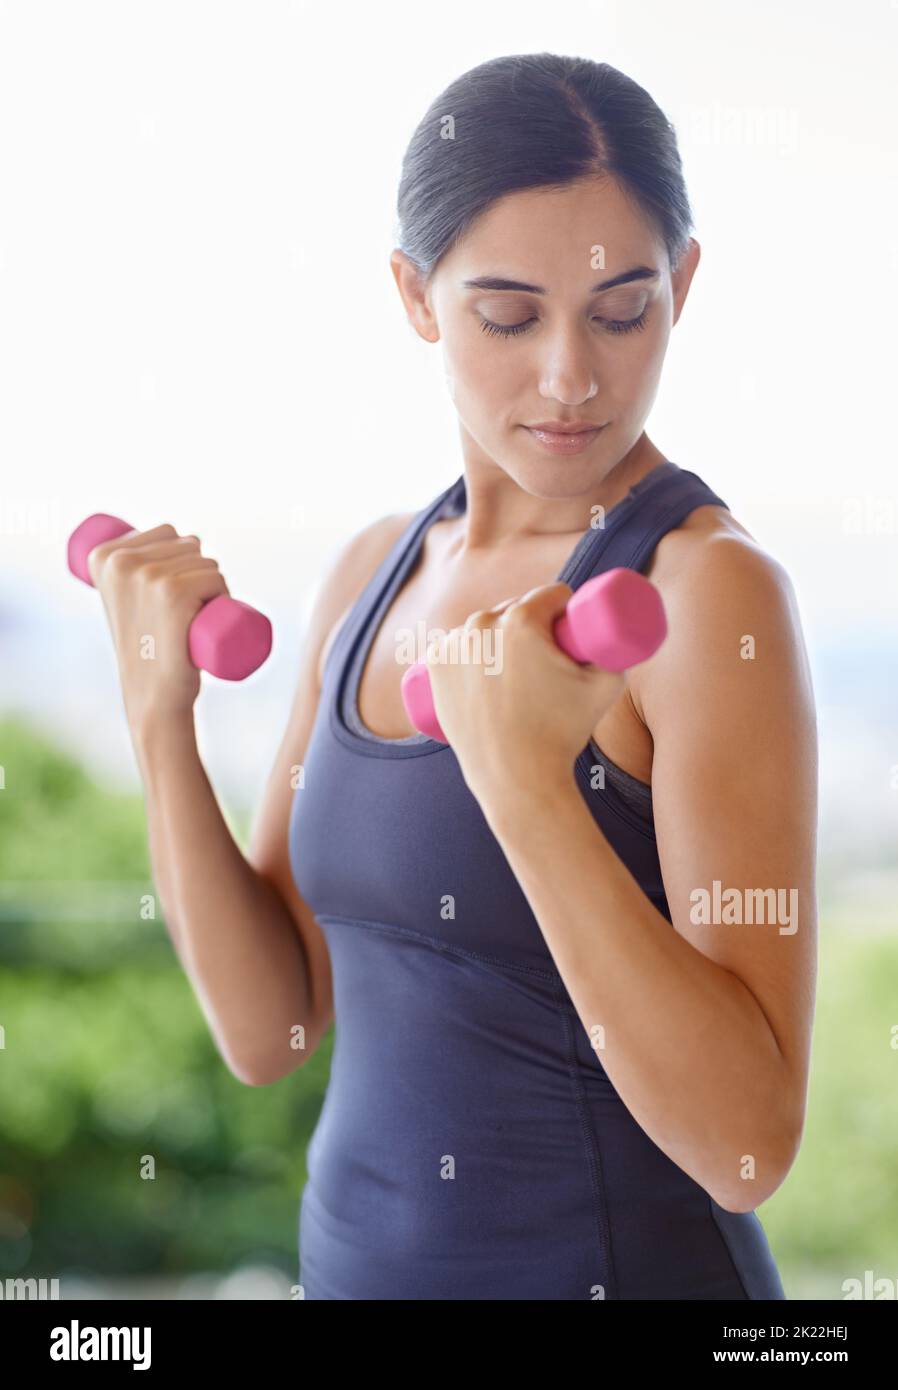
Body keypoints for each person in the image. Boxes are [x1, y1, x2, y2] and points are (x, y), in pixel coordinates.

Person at [90, 53, 817, 1301]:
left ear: (682, 285)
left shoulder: (703, 595)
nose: (570, 378)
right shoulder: (374, 572)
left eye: (622, 308)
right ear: (416, 297)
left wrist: (528, 789)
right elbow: (274, 1032)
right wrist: (162, 725)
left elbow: (746, 1149)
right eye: (509, 314)